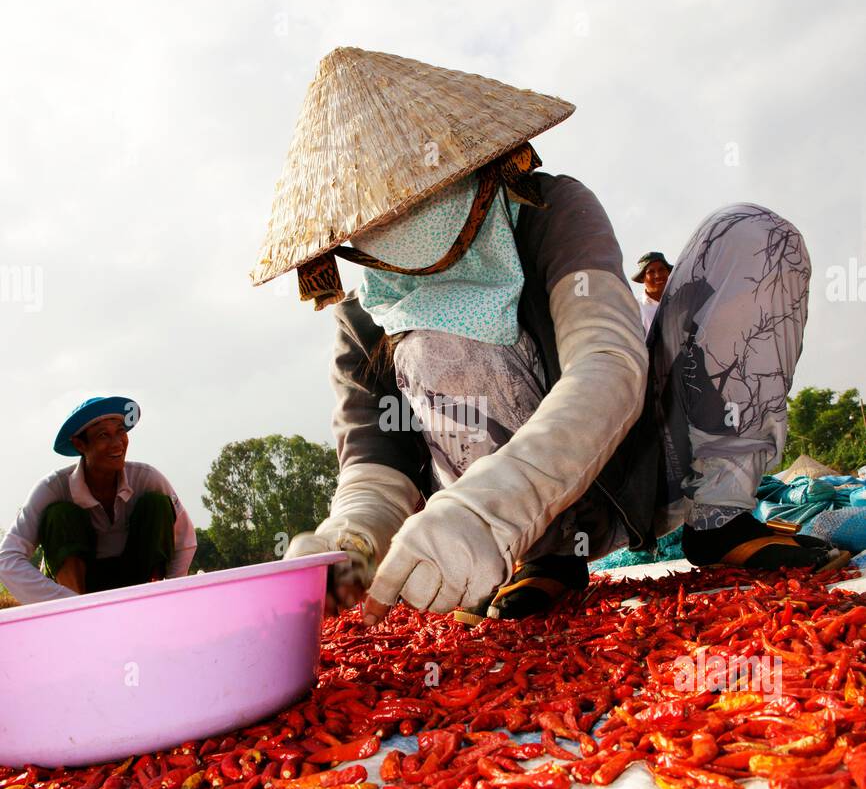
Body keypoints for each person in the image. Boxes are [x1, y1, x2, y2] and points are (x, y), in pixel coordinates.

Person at [251, 47, 844, 625]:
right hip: (528, 531)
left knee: (751, 237)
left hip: (645, 460)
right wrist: (350, 540)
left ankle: (720, 518)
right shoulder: (365, 315)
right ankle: (547, 557)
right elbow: (377, 463)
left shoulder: (549, 210)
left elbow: (606, 363)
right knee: (435, 345)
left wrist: (498, 505)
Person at [0, 396, 197, 605]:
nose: (117, 443)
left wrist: (171, 596)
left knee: (156, 505)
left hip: (136, 584)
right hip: (76, 594)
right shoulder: (53, 488)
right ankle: (76, 613)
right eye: (103, 435)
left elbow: (184, 540)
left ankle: (151, 600)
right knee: (61, 515)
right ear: (79, 444)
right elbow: (7, 559)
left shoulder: (147, 478)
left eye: (120, 431)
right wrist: (65, 603)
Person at [633, 251, 673, 335]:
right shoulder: (635, 308)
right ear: (642, 278)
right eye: (651, 272)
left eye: (661, 269)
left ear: (668, 273)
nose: (658, 275)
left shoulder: (681, 300)